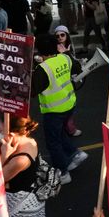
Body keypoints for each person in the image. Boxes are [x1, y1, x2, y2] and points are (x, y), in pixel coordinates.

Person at [34, 35, 84, 178]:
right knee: (60, 133)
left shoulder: (42, 68)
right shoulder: (65, 58)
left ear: (40, 51)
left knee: (53, 142)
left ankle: (63, 173)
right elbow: (77, 67)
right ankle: (75, 154)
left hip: (53, 110)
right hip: (69, 105)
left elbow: (33, 89)